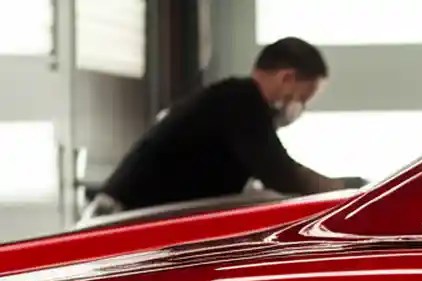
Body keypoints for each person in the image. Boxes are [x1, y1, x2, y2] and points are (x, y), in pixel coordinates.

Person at [84, 37, 362, 221]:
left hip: (126, 214)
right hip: (121, 219)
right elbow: (280, 174)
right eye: (302, 97)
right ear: (287, 78)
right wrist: (348, 189)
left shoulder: (233, 101)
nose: (299, 106)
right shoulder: (242, 100)